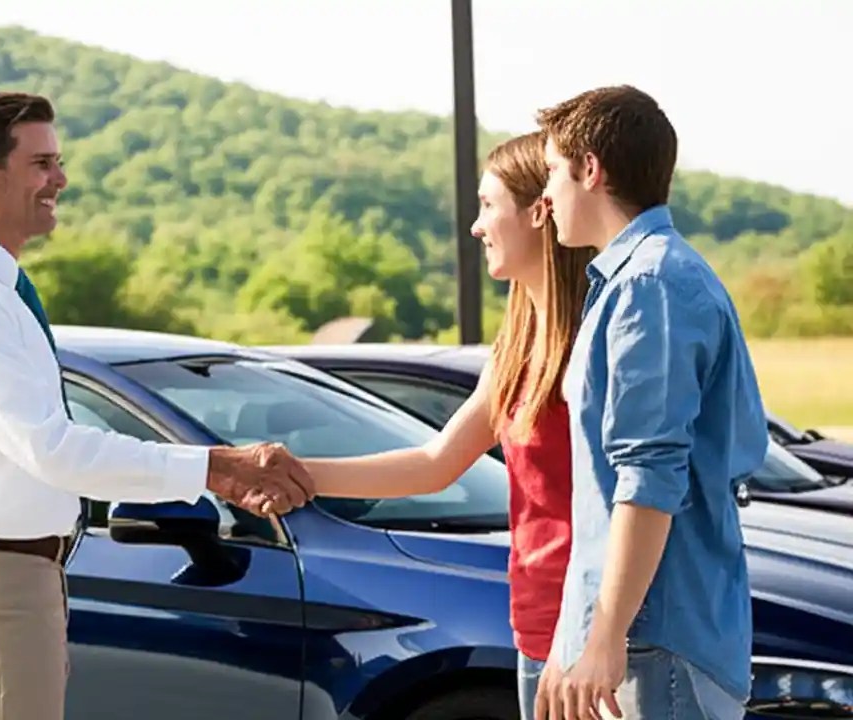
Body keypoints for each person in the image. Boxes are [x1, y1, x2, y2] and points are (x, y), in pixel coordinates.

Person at [0, 90, 315, 720]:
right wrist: (213, 467)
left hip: (10, 579)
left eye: (57, 162)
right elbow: (51, 448)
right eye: (41, 164)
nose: (60, 179)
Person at [295, 131, 596, 720]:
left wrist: (590, 636)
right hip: (534, 625)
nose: (476, 227)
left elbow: (635, 498)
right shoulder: (517, 344)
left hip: (595, 632)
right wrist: (294, 473)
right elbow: (435, 463)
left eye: (489, 206)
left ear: (540, 212)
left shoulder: (595, 340)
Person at [532, 85, 768, 720]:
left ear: (590, 168)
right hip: (633, 642)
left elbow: (648, 479)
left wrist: (604, 638)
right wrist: (572, 639)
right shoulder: (632, 281)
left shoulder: (650, 285)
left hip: (657, 642)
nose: (545, 195)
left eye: (553, 170)